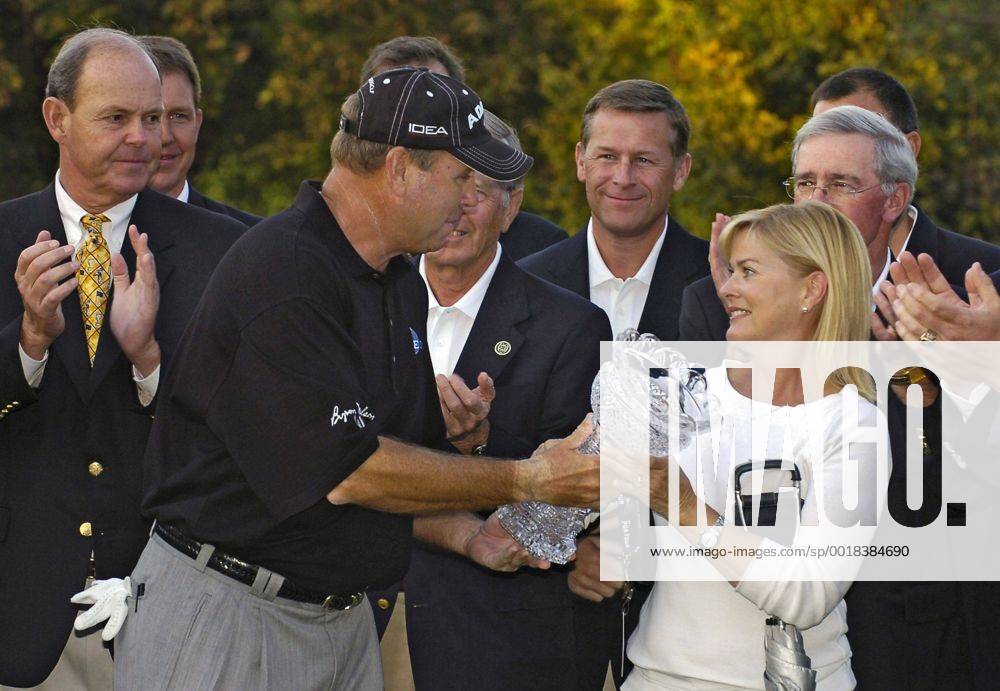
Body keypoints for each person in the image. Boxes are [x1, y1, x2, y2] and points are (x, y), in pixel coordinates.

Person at [112, 67, 602, 690]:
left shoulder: (394, 280)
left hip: (337, 622)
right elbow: (349, 472)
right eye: (461, 178)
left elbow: (381, 468)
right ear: (399, 169)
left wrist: (468, 534)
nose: (469, 201)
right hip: (231, 614)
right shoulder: (286, 273)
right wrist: (529, 478)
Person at [0, 27, 245, 689]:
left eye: (154, 118)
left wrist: (148, 361)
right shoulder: (4, 236)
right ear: (57, 118)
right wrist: (30, 340)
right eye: (116, 118)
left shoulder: (226, 252)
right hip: (21, 618)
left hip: (177, 614)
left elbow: (242, 433)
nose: (145, 138)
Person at [625, 201, 886, 690]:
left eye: (747, 271)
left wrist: (684, 506)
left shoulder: (854, 424)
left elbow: (808, 595)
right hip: (656, 679)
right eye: (730, 271)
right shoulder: (687, 391)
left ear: (811, 289)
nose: (726, 288)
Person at [401, 111, 612, 690]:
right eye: (448, 181)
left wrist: (481, 443)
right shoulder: (369, 299)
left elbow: (578, 490)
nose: (457, 206)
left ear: (511, 206)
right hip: (358, 615)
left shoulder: (571, 326)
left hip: (491, 638)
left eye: (477, 189)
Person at [519, 77, 709, 688]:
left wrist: (639, 545)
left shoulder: (725, 290)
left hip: (688, 614)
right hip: (544, 611)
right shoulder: (524, 285)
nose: (622, 177)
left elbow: (730, 446)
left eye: (644, 160)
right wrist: (572, 548)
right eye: (607, 156)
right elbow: (513, 442)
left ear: (681, 171)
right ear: (580, 161)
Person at [682, 69, 1000, 342]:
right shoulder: (716, 302)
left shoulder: (967, 303)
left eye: (841, 185)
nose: (817, 202)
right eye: (805, 183)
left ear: (894, 199)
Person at [361, 35, 568, 260]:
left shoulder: (540, 249)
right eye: (394, 106)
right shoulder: (345, 231)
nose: (417, 121)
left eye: (434, 99)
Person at [811, 67, 1000, 275]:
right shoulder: (794, 274)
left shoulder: (985, 273)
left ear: (909, 148)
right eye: (820, 135)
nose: (834, 152)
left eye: (859, 132)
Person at [137, 35, 261, 226]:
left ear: (197, 123)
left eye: (179, 116)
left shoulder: (249, 236)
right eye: (151, 118)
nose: (165, 137)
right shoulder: (91, 236)